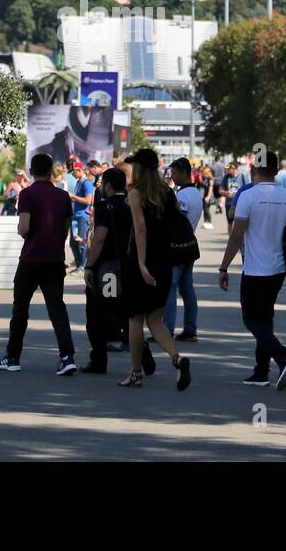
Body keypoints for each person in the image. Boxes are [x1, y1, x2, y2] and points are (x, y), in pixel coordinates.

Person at [218, 152, 286, 389]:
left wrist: (224, 266)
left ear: (254, 171)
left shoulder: (248, 196)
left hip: (256, 268)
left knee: (250, 319)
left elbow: (236, 235)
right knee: (265, 319)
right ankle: (262, 371)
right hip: (279, 269)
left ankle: (282, 356)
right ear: (276, 171)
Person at [0, 153, 78, 375]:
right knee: (57, 308)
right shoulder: (62, 196)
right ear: (51, 171)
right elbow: (66, 226)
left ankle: (12, 357)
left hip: (31, 259)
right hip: (55, 259)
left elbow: (24, 227)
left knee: (20, 308)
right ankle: (67, 356)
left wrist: (27, 234)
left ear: (31, 171)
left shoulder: (27, 194)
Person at [117, 150, 191, 390]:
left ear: (140, 168)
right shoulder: (166, 192)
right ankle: (177, 358)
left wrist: (140, 263)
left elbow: (140, 229)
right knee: (156, 320)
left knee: (135, 319)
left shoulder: (136, 193)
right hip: (165, 261)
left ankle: (136, 373)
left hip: (142, 262)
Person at [83, 164, 130, 373]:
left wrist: (89, 265)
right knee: (123, 310)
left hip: (108, 268)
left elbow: (100, 237)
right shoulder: (131, 204)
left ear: (109, 185)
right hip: (129, 266)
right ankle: (141, 348)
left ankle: (99, 359)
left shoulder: (105, 206)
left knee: (98, 314)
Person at [164, 157, 201, 342]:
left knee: (170, 288)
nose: (172, 176)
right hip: (189, 246)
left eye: (175, 173)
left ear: (184, 173)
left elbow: (177, 220)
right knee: (187, 289)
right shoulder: (195, 193)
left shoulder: (183, 196)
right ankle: (190, 328)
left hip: (177, 247)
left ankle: (167, 330)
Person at [69, 163, 95, 274]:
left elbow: (88, 201)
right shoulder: (79, 182)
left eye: (74, 171)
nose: (73, 173)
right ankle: (79, 264)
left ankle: (83, 266)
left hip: (83, 217)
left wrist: (73, 196)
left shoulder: (87, 183)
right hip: (76, 216)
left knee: (82, 243)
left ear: (79, 170)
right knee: (73, 243)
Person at [199, 165, 216, 230]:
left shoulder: (210, 179)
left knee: (206, 209)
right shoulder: (204, 178)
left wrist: (208, 197)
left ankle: (209, 222)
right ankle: (205, 222)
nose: (202, 173)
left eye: (204, 172)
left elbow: (210, 188)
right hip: (203, 195)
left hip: (208, 196)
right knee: (204, 209)